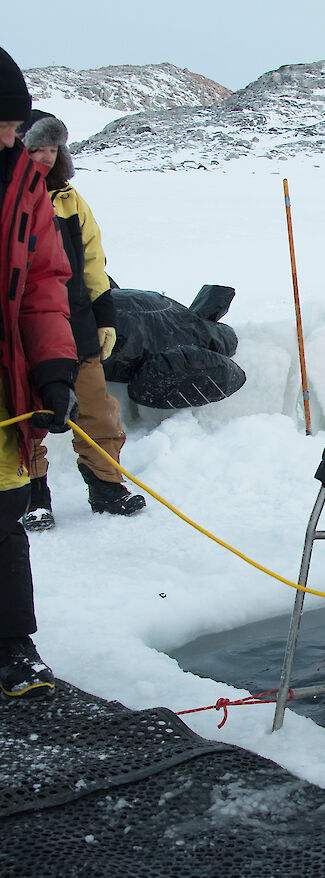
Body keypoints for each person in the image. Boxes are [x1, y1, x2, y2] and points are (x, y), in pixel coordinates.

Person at [17, 110, 145, 529]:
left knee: (97, 411)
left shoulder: (70, 201)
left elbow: (93, 261)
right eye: (35, 148)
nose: (44, 157)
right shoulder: (8, 201)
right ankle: (32, 497)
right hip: (23, 328)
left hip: (76, 322)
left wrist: (103, 315)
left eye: (52, 149)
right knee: (28, 413)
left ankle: (106, 487)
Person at [0, 48, 79, 696]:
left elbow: (45, 286)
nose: (10, 139)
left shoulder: (27, 188)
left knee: (4, 509)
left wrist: (54, 369)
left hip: (5, 383)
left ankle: (11, 647)